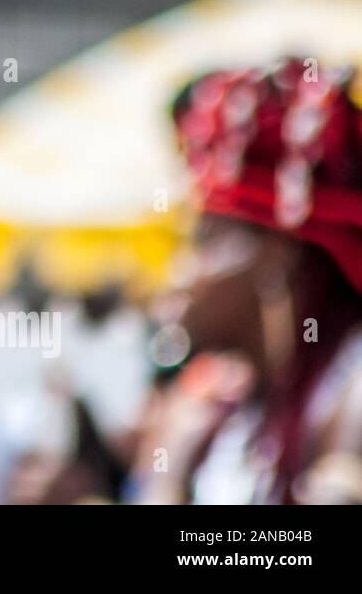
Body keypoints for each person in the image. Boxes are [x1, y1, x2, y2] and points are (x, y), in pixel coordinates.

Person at [128, 57, 362, 504]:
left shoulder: (352, 391)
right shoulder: (243, 411)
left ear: (279, 253)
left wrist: (166, 481)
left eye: (204, 241)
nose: (178, 275)